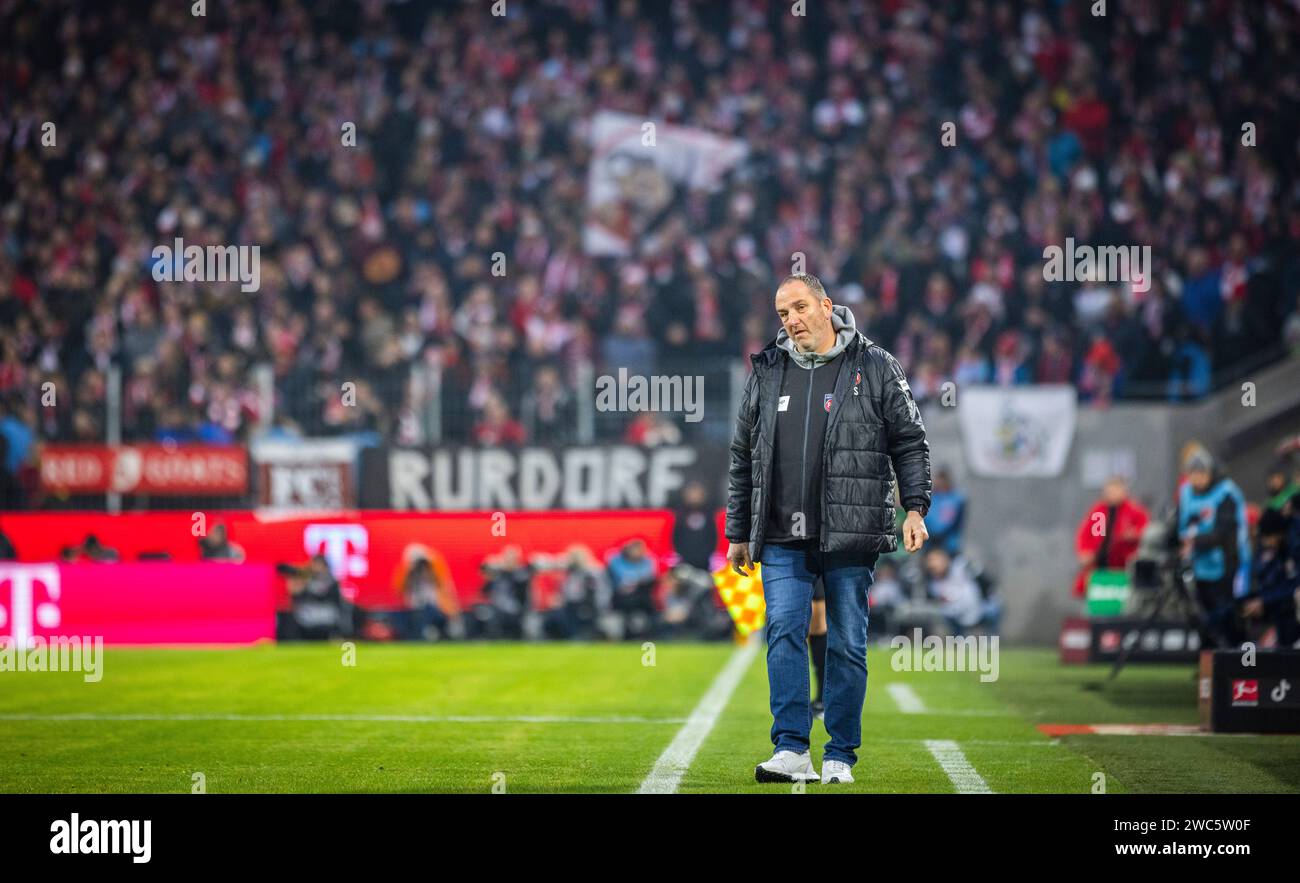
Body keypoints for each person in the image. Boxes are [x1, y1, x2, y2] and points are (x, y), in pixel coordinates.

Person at [725, 274, 931, 786]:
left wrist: (915, 507)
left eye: (798, 308)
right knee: (784, 632)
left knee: (846, 644)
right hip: (778, 535)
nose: (791, 320)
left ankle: (840, 753)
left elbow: (909, 441)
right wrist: (737, 533)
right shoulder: (768, 370)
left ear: (826, 306)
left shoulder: (876, 365)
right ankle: (792, 748)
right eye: (782, 314)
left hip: (849, 531)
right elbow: (742, 456)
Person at [1170, 447, 1250, 649]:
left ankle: (1237, 661)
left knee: (1226, 615)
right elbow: (1180, 523)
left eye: (1201, 473)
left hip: (1225, 564)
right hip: (1197, 566)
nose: (1196, 479)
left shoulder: (1226, 493)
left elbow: (1224, 532)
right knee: (1201, 617)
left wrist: (1194, 541)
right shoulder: (1186, 492)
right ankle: (1209, 666)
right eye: (1192, 474)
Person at [1073, 477, 1150, 598]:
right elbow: (1088, 535)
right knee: (1098, 599)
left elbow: (1147, 533)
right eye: (1109, 491)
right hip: (1100, 565)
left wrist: (1135, 535)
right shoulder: (1099, 512)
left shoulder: (1134, 511)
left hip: (1124, 568)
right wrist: (1085, 551)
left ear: (1124, 491)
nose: (1112, 495)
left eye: (1116, 490)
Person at [1242, 508, 1300, 648]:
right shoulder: (1283, 547)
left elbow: (1294, 584)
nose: (1265, 542)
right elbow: (1281, 582)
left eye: (1266, 537)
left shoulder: (1295, 543)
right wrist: (1262, 599)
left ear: (1276, 534)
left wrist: (1265, 600)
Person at [924, 467, 967, 556]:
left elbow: (939, 527)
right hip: (929, 548)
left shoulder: (955, 499)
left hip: (948, 549)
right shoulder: (931, 497)